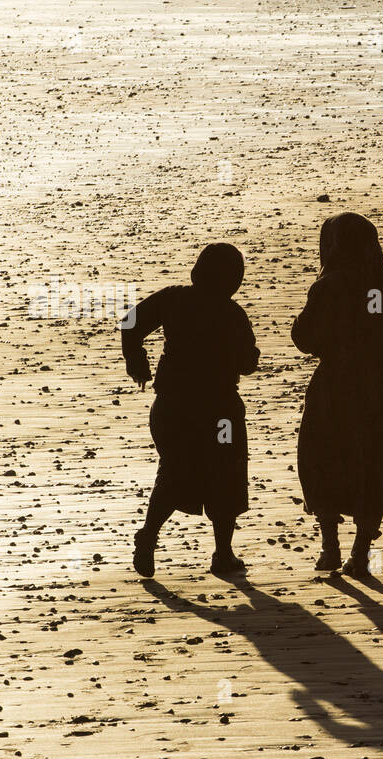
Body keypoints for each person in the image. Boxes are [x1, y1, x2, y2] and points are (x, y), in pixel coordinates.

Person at [292, 213, 383, 577]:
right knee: (376, 466)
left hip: (335, 388)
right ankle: (360, 553)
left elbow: (304, 338)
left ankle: (329, 547)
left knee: (321, 460)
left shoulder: (328, 287)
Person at [121, 242, 260, 578]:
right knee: (225, 475)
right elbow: (247, 364)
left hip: (171, 406)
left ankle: (149, 536)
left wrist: (138, 363)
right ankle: (223, 554)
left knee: (173, 473)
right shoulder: (232, 314)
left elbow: (130, 323)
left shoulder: (174, 298)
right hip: (220, 413)